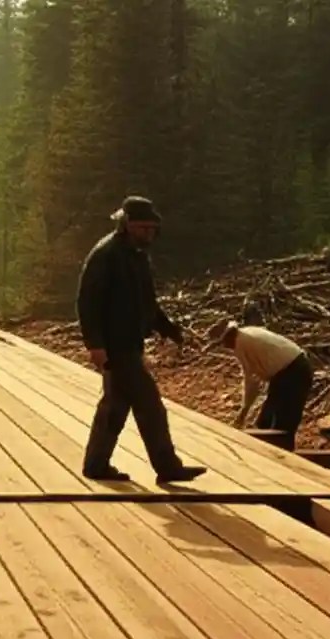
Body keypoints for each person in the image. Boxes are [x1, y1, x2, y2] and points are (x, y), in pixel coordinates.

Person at [76, 196, 206, 484]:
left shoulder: (137, 256)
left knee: (115, 406)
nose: (149, 234)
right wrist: (94, 345)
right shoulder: (106, 255)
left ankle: (96, 464)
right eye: (142, 228)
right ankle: (167, 467)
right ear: (126, 225)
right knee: (150, 405)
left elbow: (146, 302)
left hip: (130, 344)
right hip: (114, 345)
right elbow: (88, 302)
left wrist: (168, 328)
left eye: (152, 229)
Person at [207, 319, 313, 450]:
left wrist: (244, 411)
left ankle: (282, 460)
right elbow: (254, 380)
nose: (225, 347)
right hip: (283, 374)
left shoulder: (241, 343)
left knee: (282, 428)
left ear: (228, 336)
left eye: (222, 343)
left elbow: (251, 381)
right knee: (265, 422)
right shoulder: (247, 333)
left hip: (294, 372)